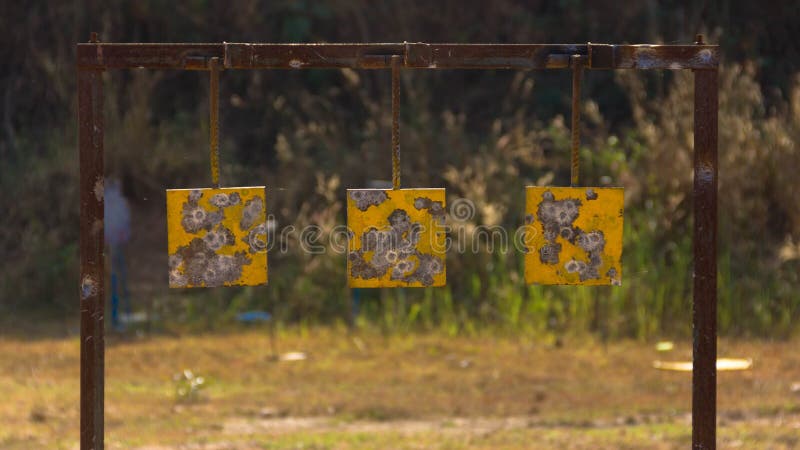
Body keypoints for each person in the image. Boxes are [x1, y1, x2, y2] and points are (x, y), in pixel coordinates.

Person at [104, 178, 132, 331]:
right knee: (116, 280)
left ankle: (124, 313)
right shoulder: (117, 202)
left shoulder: (116, 202)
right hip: (112, 246)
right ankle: (117, 315)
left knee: (119, 279)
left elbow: (124, 223)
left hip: (115, 246)